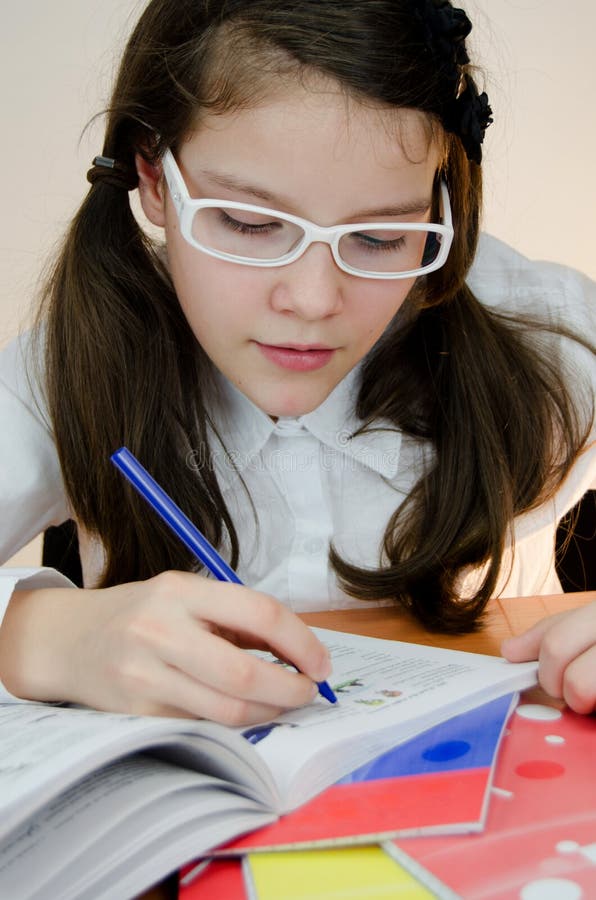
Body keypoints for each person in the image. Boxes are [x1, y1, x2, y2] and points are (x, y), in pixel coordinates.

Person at [0, 0, 594, 722]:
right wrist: (41, 636)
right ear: (154, 180)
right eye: (251, 224)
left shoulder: (544, 334)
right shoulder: (70, 366)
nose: (314, 300)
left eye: (379, 238)